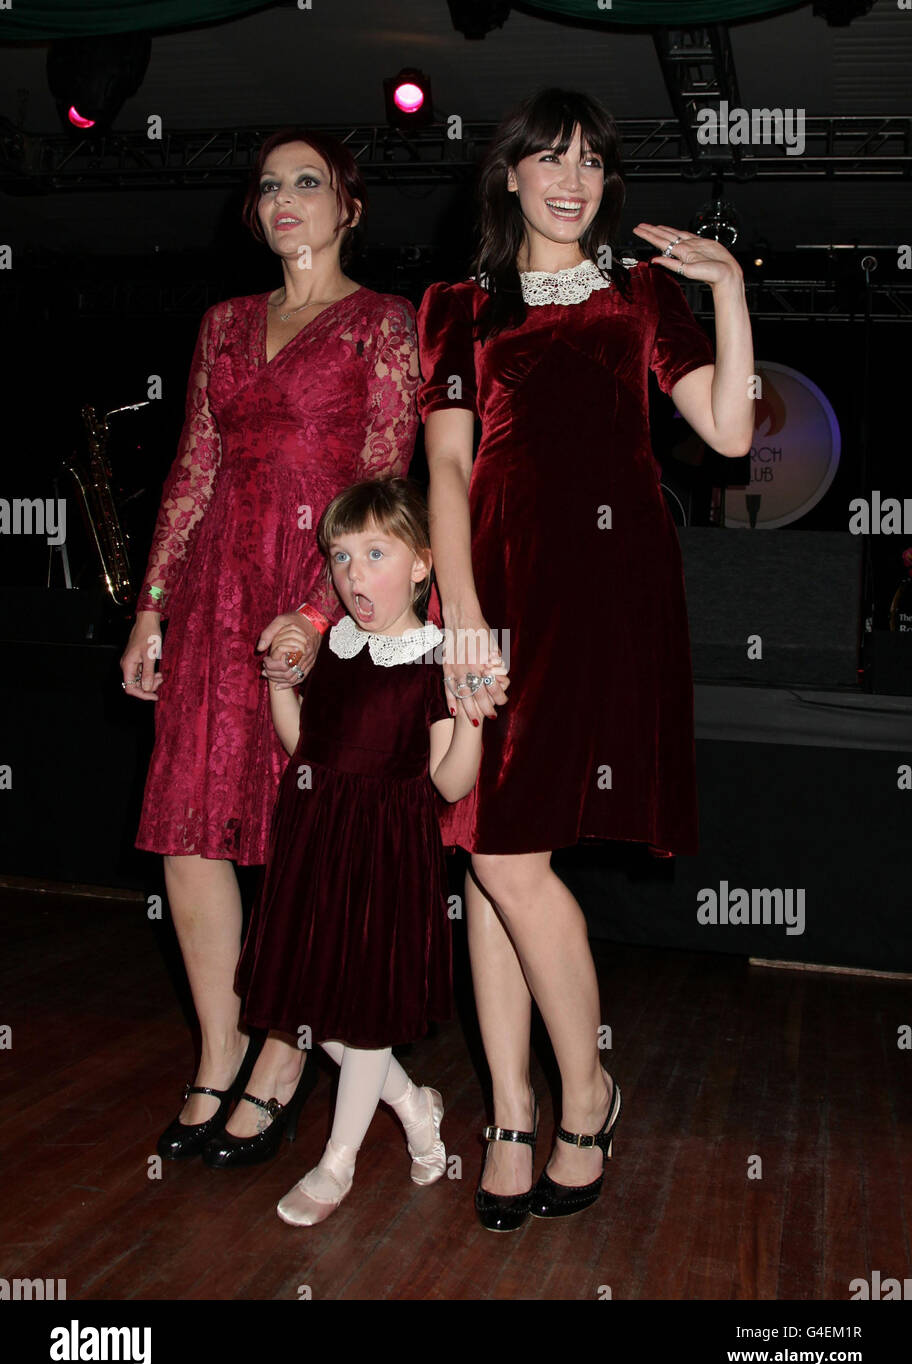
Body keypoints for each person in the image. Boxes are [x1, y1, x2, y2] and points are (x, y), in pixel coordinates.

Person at [417, 88, 755, 1230]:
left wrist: (732, 292)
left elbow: (731, 429)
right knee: (491, 849)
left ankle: (576, 1098)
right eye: (550, 158)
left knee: (505, 854)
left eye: (594, 163)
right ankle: (521, 1106)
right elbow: (448, 470)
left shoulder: (639, 292)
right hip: (499, 587)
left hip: (609, 590)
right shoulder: (458, 304)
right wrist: (461, 611)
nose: (574, 178)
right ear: (507, 174)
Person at [119, 128, 421, 1159]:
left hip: (321, 600)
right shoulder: (222, 324)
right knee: (192, 829)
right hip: (213, 596)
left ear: (349, 205)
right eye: (268, 186)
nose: (283, 199)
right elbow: (193, 468)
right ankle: (216, 1051)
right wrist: (153, 606)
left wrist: (326, 612)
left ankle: (284, 1051)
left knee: (305, 837)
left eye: (308, 182)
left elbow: (385, 480)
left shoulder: (385, 324)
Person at [226, 477, 495, 1225]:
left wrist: (471, 713)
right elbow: (300, 749)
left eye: (374, 553)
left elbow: (448, 783)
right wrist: (283, 686)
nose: (352, 574)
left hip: (386, 854)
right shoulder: (333, 648)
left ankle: (336, 1162)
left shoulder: (434, 658)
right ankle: (414, 1102)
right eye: (340, 557)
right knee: (319, 1010)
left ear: (421, 564)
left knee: (365, 1013)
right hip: (316, 844)